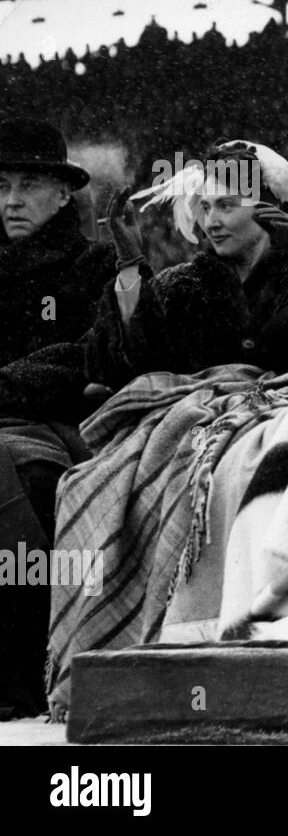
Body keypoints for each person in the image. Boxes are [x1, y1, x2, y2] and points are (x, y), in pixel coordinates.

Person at [0, 118, 117, 720]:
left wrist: (9, 382)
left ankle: (20, 669)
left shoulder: (95, 265)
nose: (11, 200)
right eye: (3, 187)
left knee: (17, 472)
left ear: (63, 192)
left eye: (27, 185)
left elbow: (90, 354)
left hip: (61, 427)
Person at [85, 139, 288, 389]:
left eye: (226, 206)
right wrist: (130, 265)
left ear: (271, 209)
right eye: (206, 207)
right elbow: (122, 369)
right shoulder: (176, 287)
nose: (211, 222)